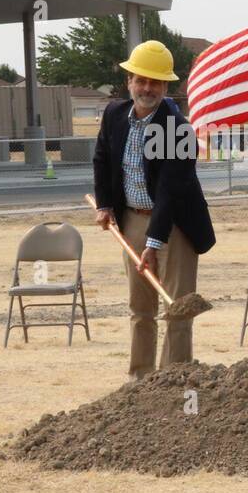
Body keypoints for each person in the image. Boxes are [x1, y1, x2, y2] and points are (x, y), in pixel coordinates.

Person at [92, 40, 215, 379]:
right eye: (141, 80)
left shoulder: (178, 131)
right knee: (140, 308)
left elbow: (171, 193)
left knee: (177, 308)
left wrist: (153, 243)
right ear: (129, 80)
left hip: (175, 225)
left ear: (166, 87)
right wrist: (104, 204)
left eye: (156, 82)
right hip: (131, 218)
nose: (148, 88)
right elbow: (102, 159)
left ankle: (173, 381)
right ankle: (140, 380)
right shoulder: (114, 114)